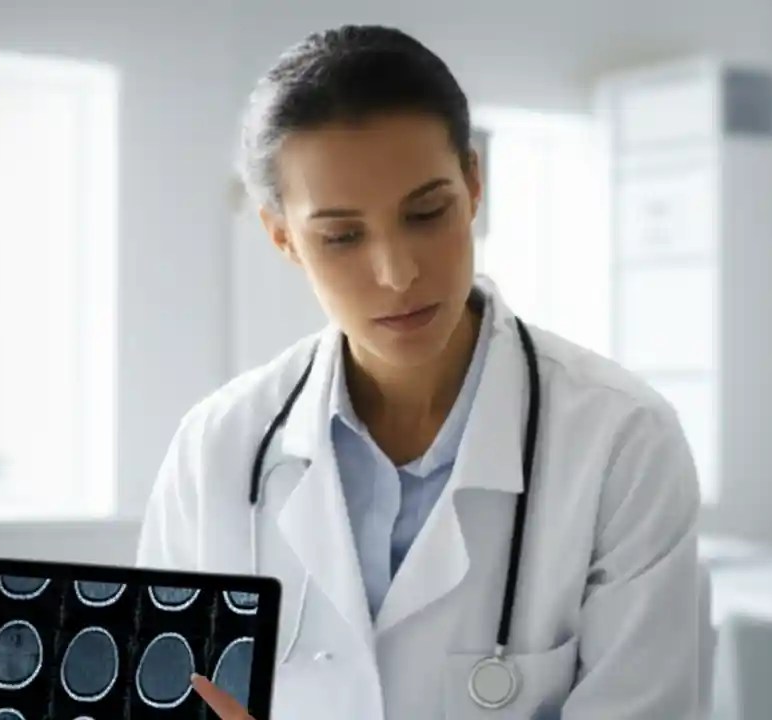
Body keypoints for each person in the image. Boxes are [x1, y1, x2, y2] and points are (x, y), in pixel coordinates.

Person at [137, 25, 709, 720]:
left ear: (473, 185)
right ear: (282, 235)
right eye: (343, 236)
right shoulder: (216, 449)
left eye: (427, 212)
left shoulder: (623, 442)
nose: (397, 273)